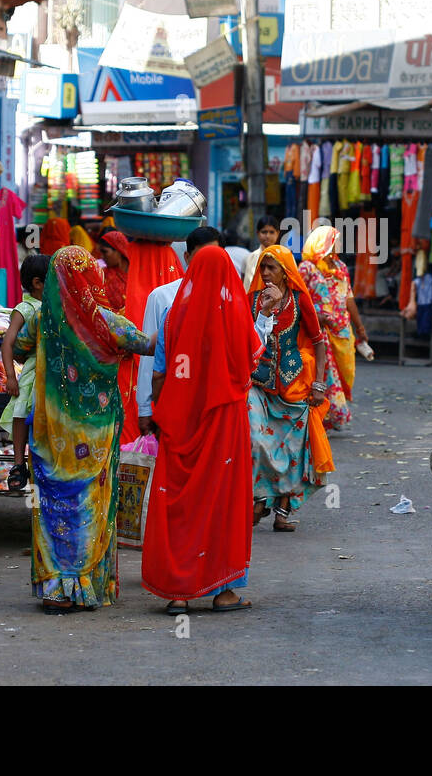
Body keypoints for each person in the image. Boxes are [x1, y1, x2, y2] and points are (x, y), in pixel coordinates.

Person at [19, 245, 154, 613]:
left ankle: (55, 588)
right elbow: (149, 344)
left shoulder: (41, 320)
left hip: (50, 436)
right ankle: (85, 584)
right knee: (90, 505)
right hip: (94, 439)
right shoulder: (109, 322)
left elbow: (18, 347)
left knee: (51, 506)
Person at [143, 246, 265, 613]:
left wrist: (157, 413)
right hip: (224, 420)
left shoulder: (172, 314)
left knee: (182, 502)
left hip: (181, 420)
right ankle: (224, 591)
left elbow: (161, 373)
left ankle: (177, 592)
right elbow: (249, 365)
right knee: (223, 500)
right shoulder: (237, 313)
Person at [247, 244, 334, 532]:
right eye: (263, 267)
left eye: (272, 268)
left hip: (294, 384)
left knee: (293, 448)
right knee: (256, 439)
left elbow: (319, 342)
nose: (266, 273)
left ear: (285, 273)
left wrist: (320, 384)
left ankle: (283, 510)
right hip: (258, 384)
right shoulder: (252, 300)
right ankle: (259, 498)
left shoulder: (299, 300)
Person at [136, 226, 221, 435]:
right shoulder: (162, 297)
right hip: (176, 405)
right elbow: (150, 358)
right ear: (187, 256)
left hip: (216, 406)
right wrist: (145, 408)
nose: (207, 264)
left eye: (214, 257)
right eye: (201, 257)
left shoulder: (228, 298)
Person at [299, 225, 368, 430]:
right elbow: (298, 297)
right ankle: (326, 414)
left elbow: (349, 298)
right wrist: (314, 317)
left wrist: (359, 326)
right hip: (318, 328)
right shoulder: (307, 268)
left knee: (345, 372)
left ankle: (328, 414)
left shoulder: (340, 266)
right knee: (324, 372)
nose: (338, 244)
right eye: (335, 239)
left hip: (342, 329)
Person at [0, 254, 49, 492]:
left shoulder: (54, 305)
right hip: (32, 367)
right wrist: (10, 376)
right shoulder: (25, 308)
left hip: (52, 368)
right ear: (38, 283)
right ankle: (19, 463)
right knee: (21, 409)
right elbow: (7, 343)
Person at [242, 214, 281, 290]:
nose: (267, 236)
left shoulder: (285, 258)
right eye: (264, 232)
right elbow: (243, 284)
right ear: (257, 233)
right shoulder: (249, 258)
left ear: (278, 233)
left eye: (271, 232)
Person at [97, 230, 131, 311]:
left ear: (118, 249)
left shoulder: (136, 274)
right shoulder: (102, 275)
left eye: (105, 252)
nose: (102, 256)